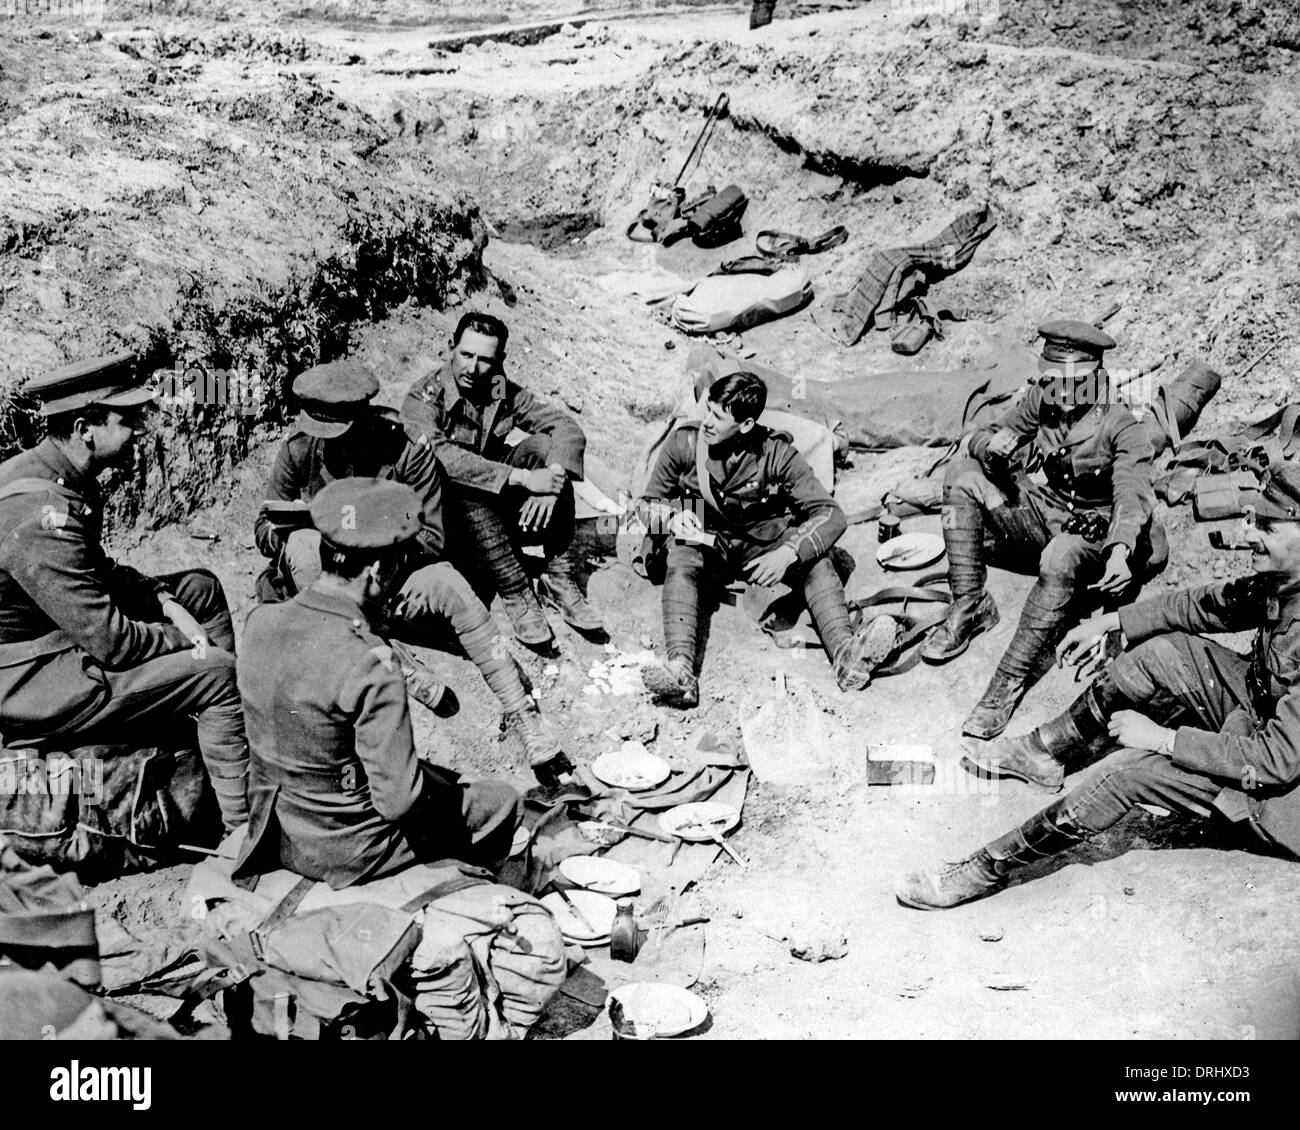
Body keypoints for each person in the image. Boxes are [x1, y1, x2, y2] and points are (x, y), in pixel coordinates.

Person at [896, 465, 1300, 910]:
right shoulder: (1286, 582)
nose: (1247, 531)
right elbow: (1203, 604)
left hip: (1280, 794)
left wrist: (1163, 740)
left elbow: (1277, 762)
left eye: (1265, 524)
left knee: (1125, 773)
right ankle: (1044, 752)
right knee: (1165, 651)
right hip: (1259, 716)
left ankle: (986, 868)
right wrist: (1112, 622)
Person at [254, 359, 575, 788]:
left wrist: (379, 545)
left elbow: (432, 536)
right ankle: (392, 660)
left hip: (395, 573)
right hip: (332, 580)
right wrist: (296, 533)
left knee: (454, 589)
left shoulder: (405, 448)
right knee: (300, 547)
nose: (329, 442)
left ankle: (525, 717)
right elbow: (265, 522)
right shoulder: (299, 449)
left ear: (362, 416)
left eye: (339, 431)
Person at [235, 477, 523, 890]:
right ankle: (484, 888)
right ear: (377, 570)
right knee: (501, 801)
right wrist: (443, 801)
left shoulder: (260, 622)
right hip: (348, 851)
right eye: (401, 563)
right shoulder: (373, 660)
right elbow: (397, 802)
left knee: (435, 780)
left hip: (276, 832)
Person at [0, 352, 248, 830]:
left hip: (53, 635)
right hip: (31, 684)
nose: (139, 429)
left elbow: (96, 571)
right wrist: (189, 642)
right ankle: (242, 829)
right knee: (216, 672)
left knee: (199, 589)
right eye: (127, 419)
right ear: (84, 427)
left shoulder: (56, 472)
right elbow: (112, 641)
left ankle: (217, 741)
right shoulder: (41, 514)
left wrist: (163, 600)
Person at [921, 319, 1166, 739]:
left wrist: (1121, 550)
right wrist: (993, 450)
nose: (1062, 392)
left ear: (1095, 376)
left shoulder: (1123, 423)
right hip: (1052, 514)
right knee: (961, 474)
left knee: (1060, 555)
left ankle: (1007, 684)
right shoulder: (1044, 397)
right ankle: (970, 607)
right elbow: (984, 434)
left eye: (1073, 383)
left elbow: (1132, 495)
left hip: (1101, 536)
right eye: (1054, 380)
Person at [636, 371, 882, 707]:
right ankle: (681, 670)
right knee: (680, 555)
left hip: (762, 542)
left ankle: (847, 655)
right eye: (707, 410)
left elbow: (830, 513)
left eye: (717, 417)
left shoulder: (776, 453)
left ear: (747, 425)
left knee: (818, 560)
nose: (706, 421)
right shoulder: (686, 442)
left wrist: (788, 553)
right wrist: (673, 517)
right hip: (706, 541)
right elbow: (647, 505)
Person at [400, 312, 603, 650]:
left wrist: (552, 483)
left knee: (545, 448)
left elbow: (566, 427)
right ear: (451, 347)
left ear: (499, 361)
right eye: (466, 355)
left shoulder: (499, 389)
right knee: (466, 478)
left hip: (492, 516)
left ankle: (559, 578)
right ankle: (516, 591)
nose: (472, 368)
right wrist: (522, 478)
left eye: (484, 360)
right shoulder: (424, 397)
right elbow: (442, 456)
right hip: (446, 525)